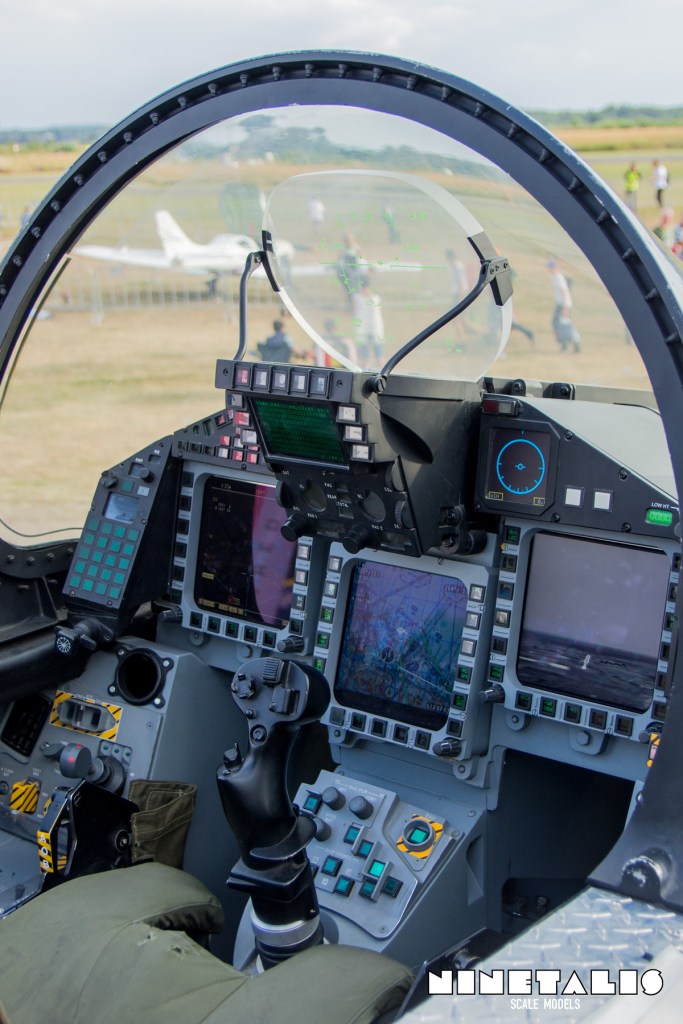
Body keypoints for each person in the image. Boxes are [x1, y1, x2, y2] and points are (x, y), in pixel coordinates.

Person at [547, 260, 579, 352]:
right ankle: (565, 344)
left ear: (555, 267)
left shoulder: (558, 277)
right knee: (559, 324)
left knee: (564, 324)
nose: (549, 269)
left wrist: (565, 307)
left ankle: (573, 344)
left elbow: (564, 291)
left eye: (551, 267)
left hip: (563, 305)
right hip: (561, 304)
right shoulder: (555, 277)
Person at [352, 280, 384, 367]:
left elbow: (354, 309)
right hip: (366, 330)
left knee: (377, 356)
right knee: (366, 357)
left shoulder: (359, 298)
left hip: (373, 329)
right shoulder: (374, 298)